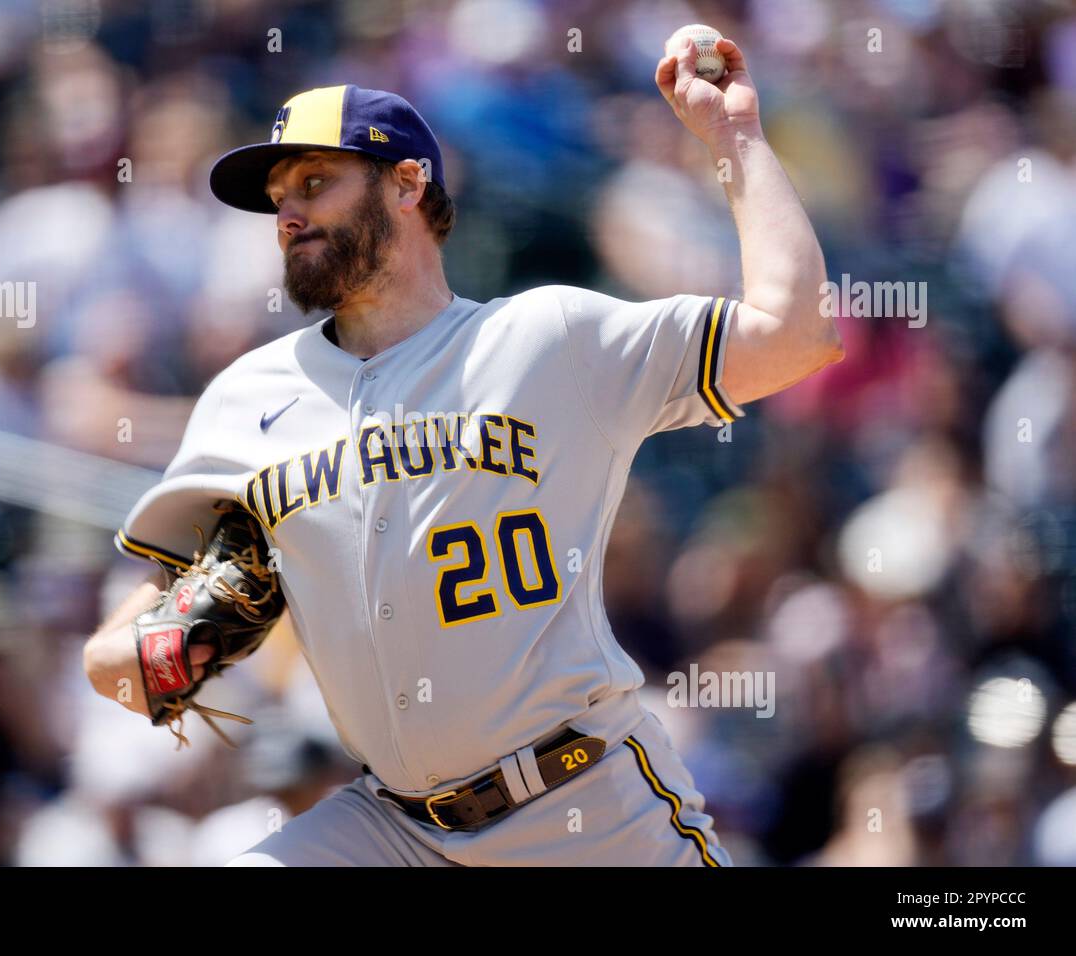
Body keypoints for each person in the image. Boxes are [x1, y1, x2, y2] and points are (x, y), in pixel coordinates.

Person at [83, 37, 843, 866]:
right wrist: (142, 647)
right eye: (276, 197)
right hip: (396, 829)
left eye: (313, 182)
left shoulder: (547, 337)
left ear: (408, 184)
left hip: (586, 805)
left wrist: (736, 140)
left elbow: (794, 334)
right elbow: (127, 638)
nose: (288, 213)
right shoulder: (246, 398)